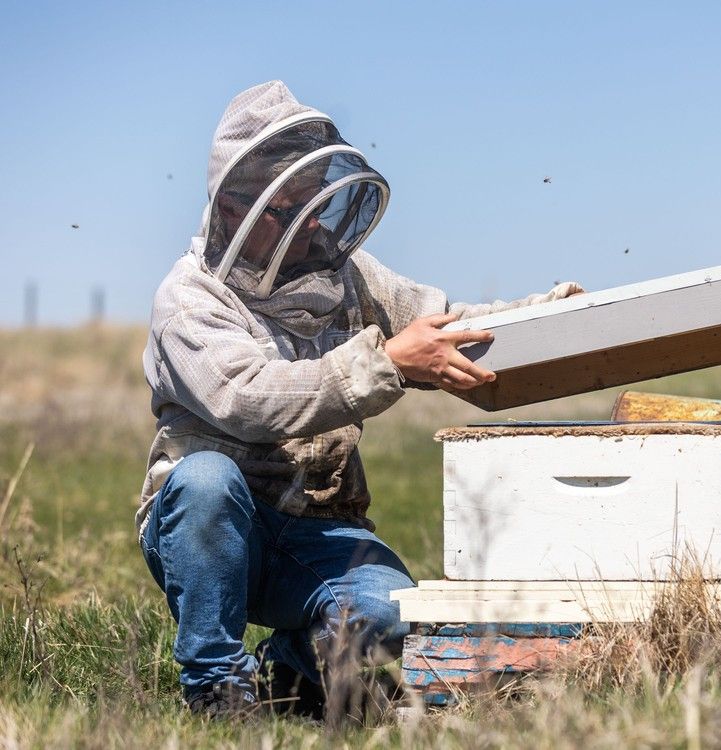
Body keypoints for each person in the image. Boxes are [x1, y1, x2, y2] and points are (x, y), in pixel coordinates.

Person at [136, 80, 582, 719]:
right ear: (235, 209)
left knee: (387, 612)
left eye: (314, 202)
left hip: (318, 526)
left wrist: (549, 317)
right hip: (212, 530)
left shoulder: (347, 273)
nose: (312, 222)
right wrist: (385, 363)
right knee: (205, 482)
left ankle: (284, 677)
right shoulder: (190, 299)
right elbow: (250, 401)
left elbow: (444, 323)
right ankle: (214, 686)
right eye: (290, 205)